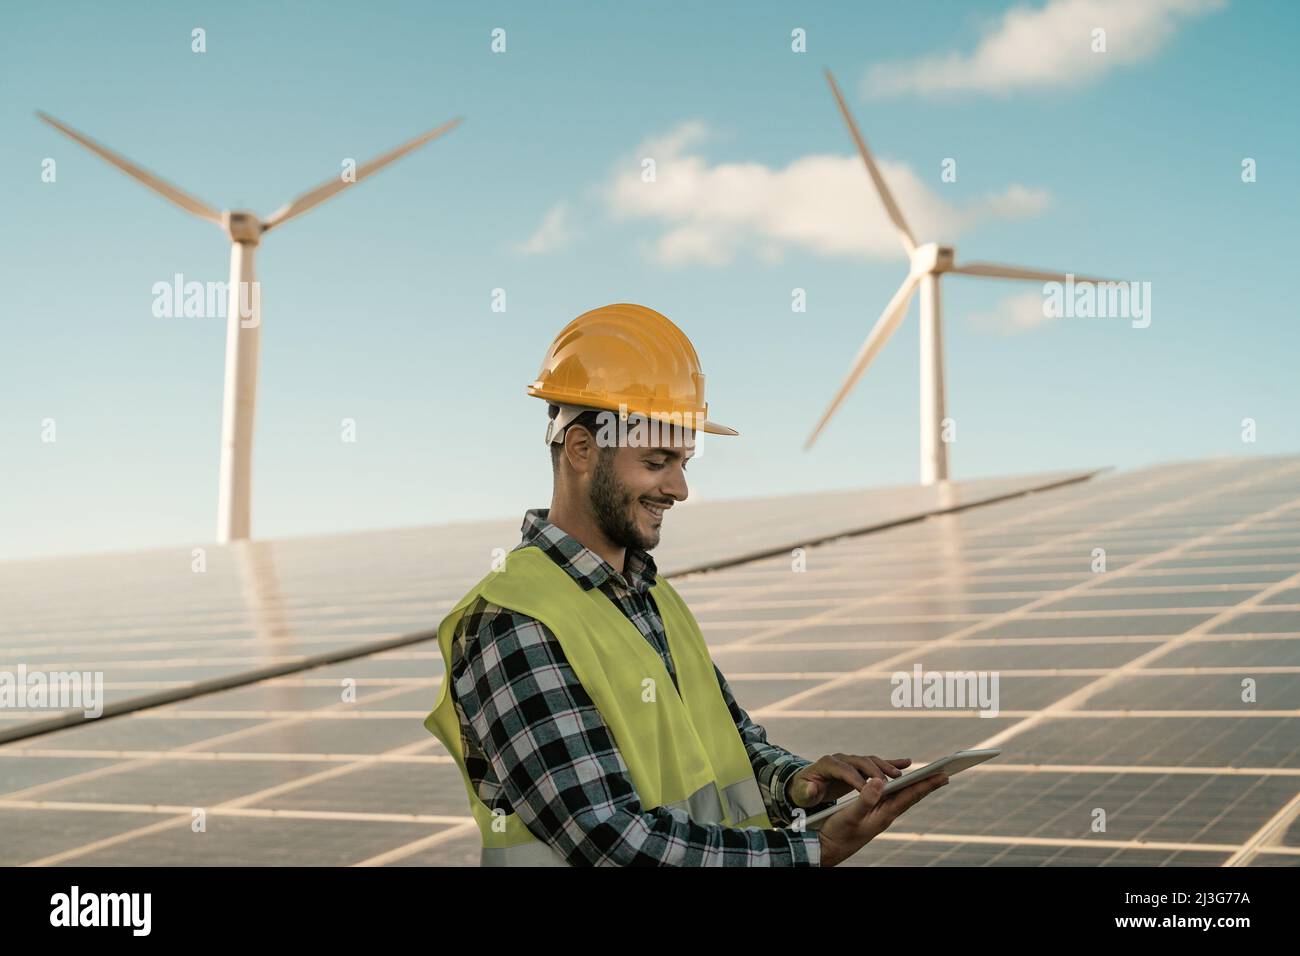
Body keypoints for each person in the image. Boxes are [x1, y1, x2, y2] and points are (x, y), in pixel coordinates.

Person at [423, 303, 947, 866]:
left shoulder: (652, 596)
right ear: (581, 448)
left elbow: (726, 744)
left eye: (685, 463)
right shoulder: (512, 619)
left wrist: (799, 785)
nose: (679, 488)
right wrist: (809, 851)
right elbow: (609, 837)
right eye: (657, 461)